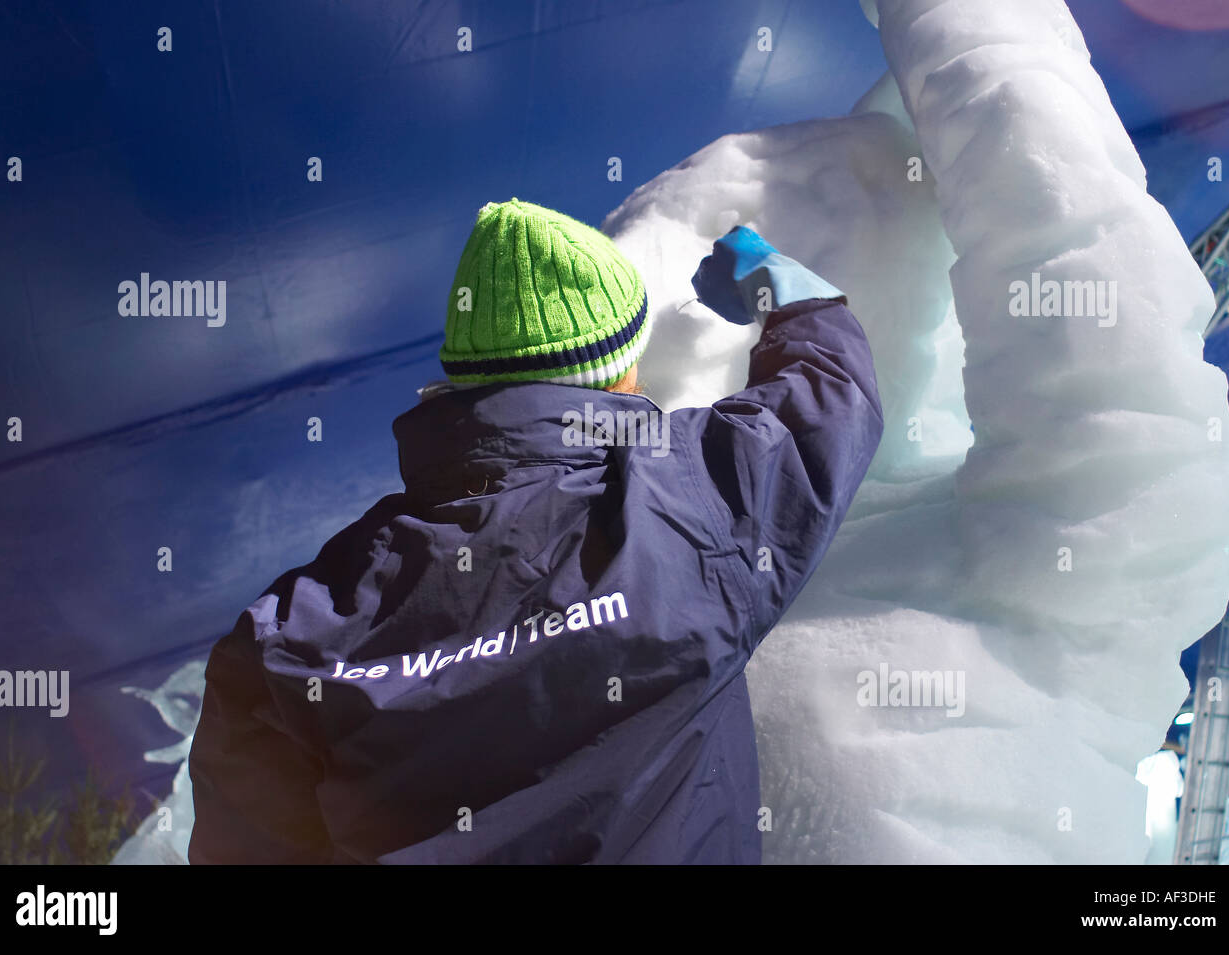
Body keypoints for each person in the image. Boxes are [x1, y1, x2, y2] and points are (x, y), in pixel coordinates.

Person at [188, 198, 883, 864]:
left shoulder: (288, 633)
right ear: (616, 377)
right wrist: (777, 286)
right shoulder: (689, 506)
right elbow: (830, 396)